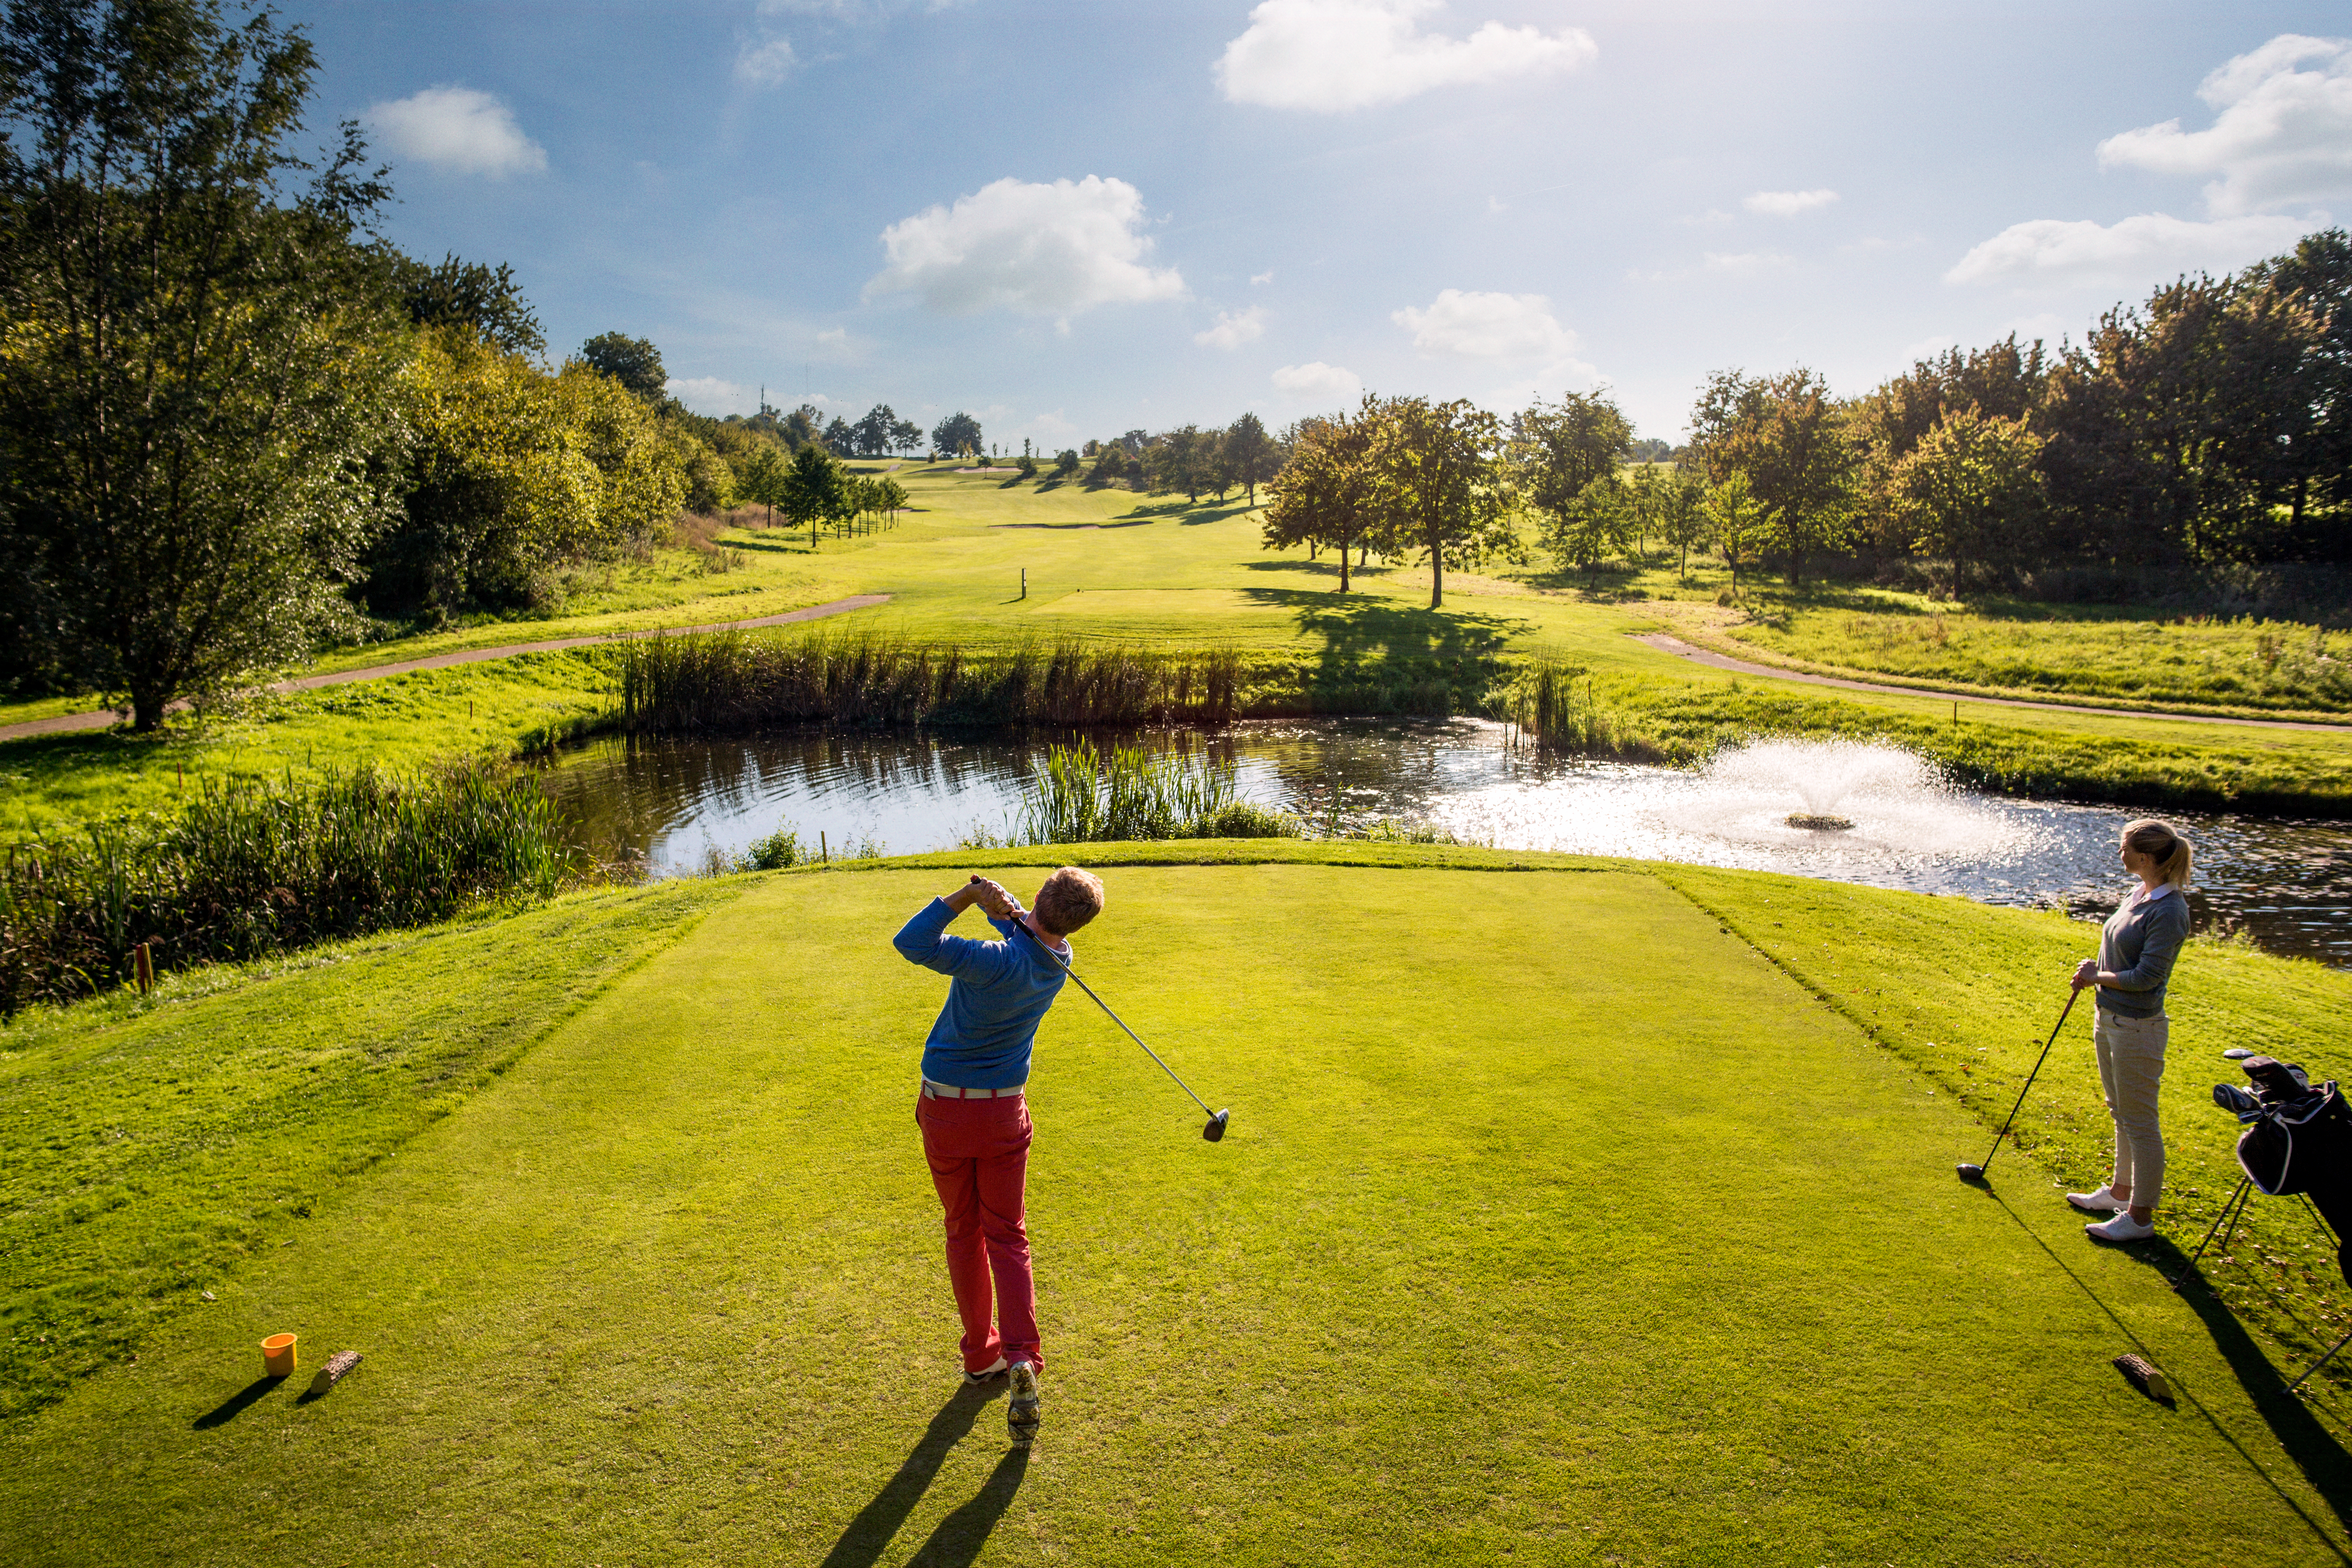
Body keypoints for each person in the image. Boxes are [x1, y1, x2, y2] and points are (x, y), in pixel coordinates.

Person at [892, 865, 1106, 1448]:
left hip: (945, 1110)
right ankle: (1021, 1356)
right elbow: (1028, 938)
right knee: (1007, 1235)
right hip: (1005, 1112)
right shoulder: (1058, 962)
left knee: (963, 1230)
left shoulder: (988, 960)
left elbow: (910, 943)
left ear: (1039, 896)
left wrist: (966, 895)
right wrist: (1000, 908)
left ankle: (982, 1354)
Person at [2066, 819, 2194, 1243]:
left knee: (2140, 1122)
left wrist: (2097, 977)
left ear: (2144, 857)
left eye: (2124, 848)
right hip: (2111, 1018)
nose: (2119, 854)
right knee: (2120, 1110)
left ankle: (2139, 1218)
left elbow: (2146, 977)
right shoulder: (2139, 893)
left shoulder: (2170, 910)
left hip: (2139, 1027)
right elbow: (2121, 949)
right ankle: (2119, 1193)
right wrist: (2096, 975)